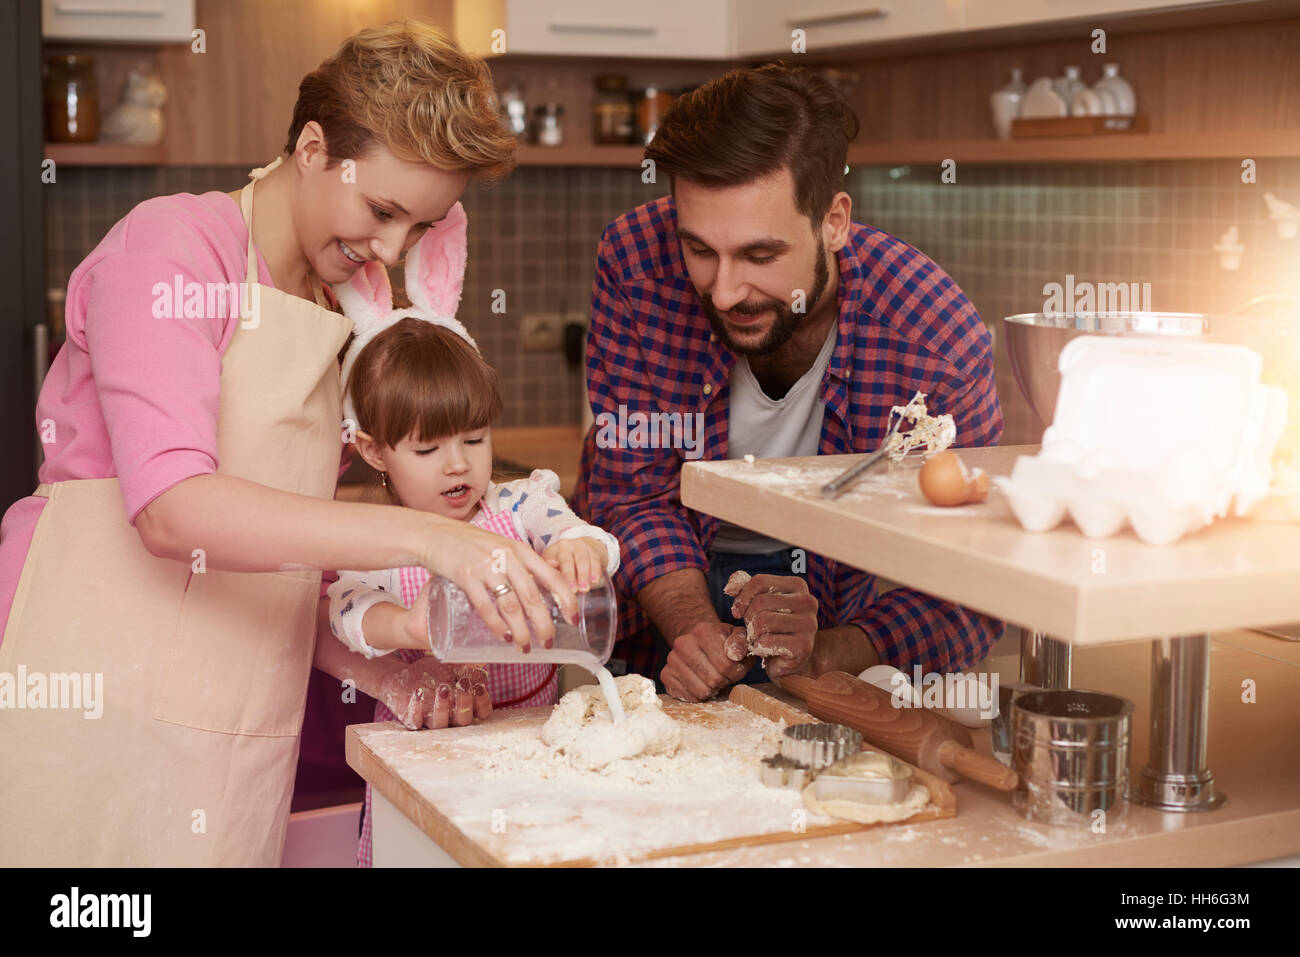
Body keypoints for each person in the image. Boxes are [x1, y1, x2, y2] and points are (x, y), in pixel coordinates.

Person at [0, 21, 575, 867]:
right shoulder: (170, 250)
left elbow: (284, 556)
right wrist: (433, 537)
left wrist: (382, 674)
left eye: (419, 228)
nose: (389, 250)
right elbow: (173, 510)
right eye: (381, 210)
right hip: (90, 672)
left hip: (235, 699)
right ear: (312, 147)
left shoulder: (349, 312)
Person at [574, 62, 1005, 703]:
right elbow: (629, 493)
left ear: (833, 221)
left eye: (759, 256)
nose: (723, 292)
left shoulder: (933, 337)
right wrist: (694, 630)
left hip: (831, 629)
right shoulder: (635, 262)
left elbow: (973, 585)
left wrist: (832, 647)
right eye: (699, 249)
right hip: (652, 603)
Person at [326, 283, 620, 863]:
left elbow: (587, 536)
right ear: (374, 449)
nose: (458, 463)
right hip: (428, 752)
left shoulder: (519, 506)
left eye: (474, 437)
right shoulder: (377, 540)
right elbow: (346, 609)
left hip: (529, 741)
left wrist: (579, 551)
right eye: (427, 448)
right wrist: (409, 627)